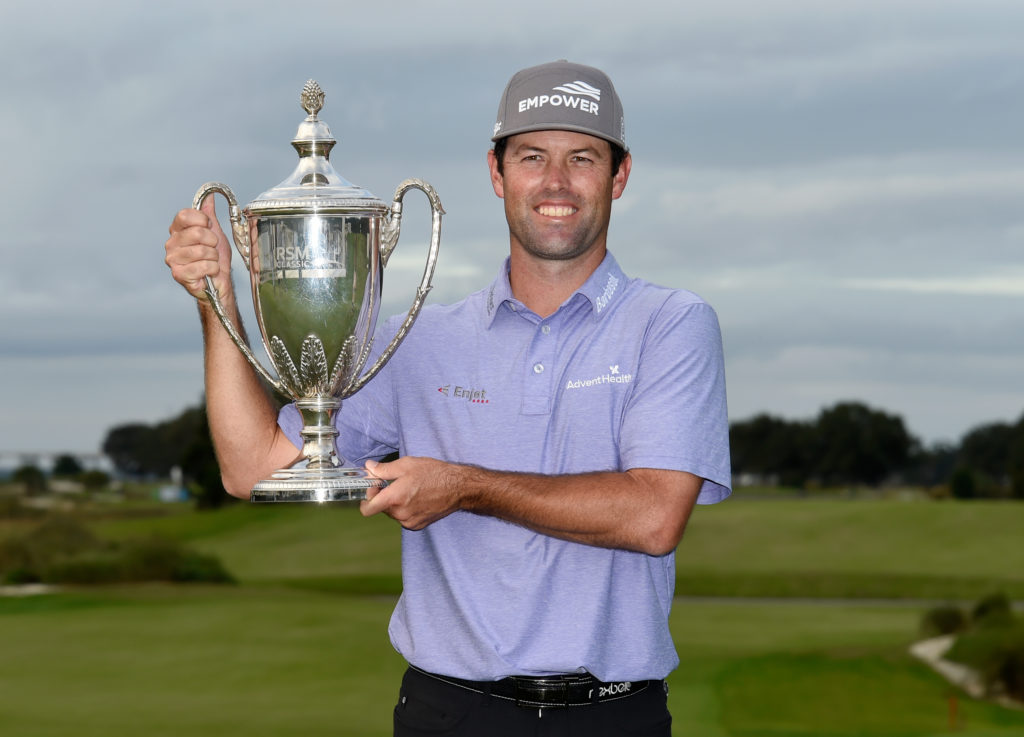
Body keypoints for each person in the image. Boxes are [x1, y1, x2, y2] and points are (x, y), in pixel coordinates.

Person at [165, 60, 731, 737]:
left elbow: (653, 515)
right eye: (531, 156)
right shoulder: (417, 338)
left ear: (620, 175)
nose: (556, 182)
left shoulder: (671, 323)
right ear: (497, 175)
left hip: (614, 714)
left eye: (582, 157)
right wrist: (218, 303)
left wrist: (462, 486)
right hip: (448, 712)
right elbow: (252, 467)